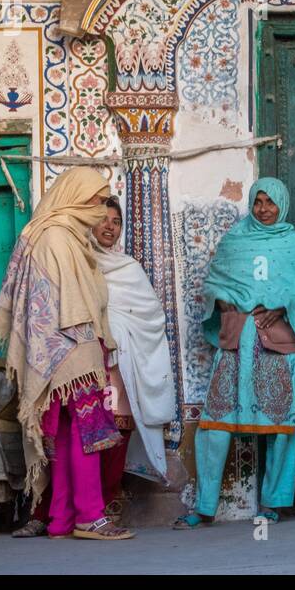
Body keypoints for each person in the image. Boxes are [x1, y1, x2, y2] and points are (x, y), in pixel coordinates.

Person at [174, 177, 295, 528]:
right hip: (237, 345)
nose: (264, 209)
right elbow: (213, 285)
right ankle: (205, 507)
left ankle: (274, 503)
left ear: (281, 204)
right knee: (214, 424)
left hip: (281, 348)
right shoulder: (235, 242)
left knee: (282, 428)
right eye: (258, 201)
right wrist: (222, 298)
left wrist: (284, 307)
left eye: (271, 202)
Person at [0, 167, 133, 540]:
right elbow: (59, 305)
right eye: (98, 201)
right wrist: (85, 347)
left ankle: (61, 520)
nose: (102, 210)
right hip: (70, 352)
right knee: (87, 431)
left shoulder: (64, 235)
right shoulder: (56, 237)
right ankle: (89, 516)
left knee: (68, 434)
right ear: (78, 198)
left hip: (68, 353)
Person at [92, 197, 176, 505]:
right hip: (90, 366)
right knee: (89, 433)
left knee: (118, 432)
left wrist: (121, 329)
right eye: (103, 220)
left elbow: (152, 314)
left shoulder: (129, 269)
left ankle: (110, 497)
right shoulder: (81, 264)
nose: (110, 227)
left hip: (122, 368)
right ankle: (90, 504)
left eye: (116, 222)